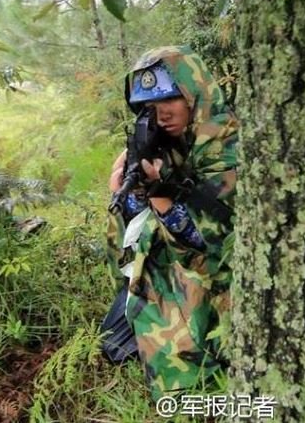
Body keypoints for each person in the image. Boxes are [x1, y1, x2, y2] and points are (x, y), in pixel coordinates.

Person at [105, 45, 239, 398]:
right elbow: (133, 235)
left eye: (171, 99)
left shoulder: (224, 142)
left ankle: (192, 369)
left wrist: (159, 193)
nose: (161, 114)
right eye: (150, 107)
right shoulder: (167, 141)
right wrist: (129, 193)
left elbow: (212, 241)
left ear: (194, 93)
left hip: (232, 270)